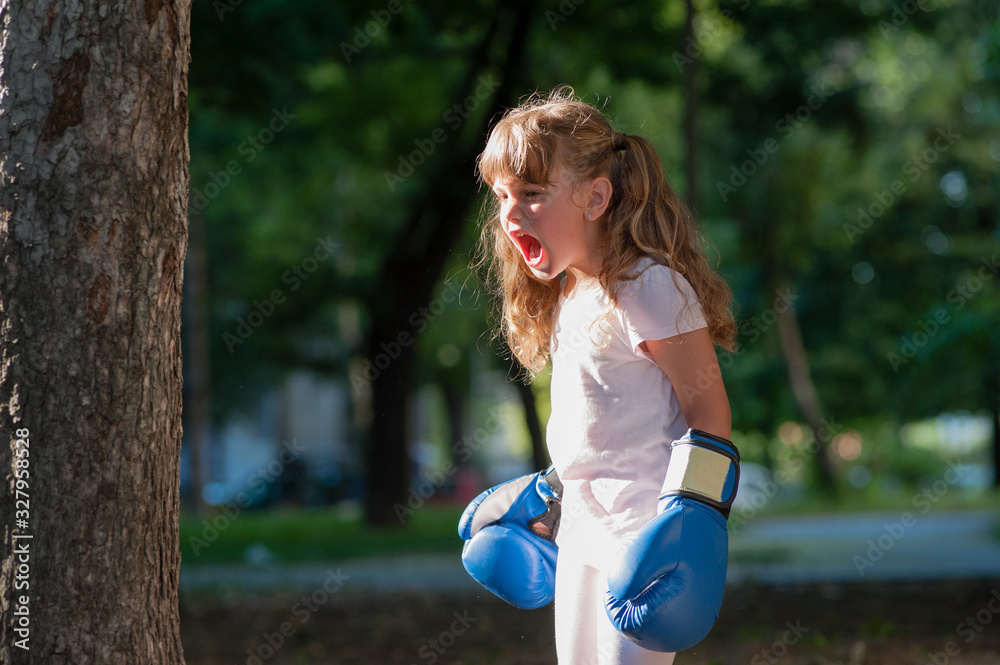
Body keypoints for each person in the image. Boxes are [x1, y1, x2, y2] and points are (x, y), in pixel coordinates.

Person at [474, 86, 737, 665]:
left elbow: (710, 413)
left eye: (533, 194)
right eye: (502, 196)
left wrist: (695, 522)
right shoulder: (575, 294)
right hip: (582, 533)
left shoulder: (649, 287)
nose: (511, 213)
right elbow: (603, 425)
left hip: (642, 534)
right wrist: (551, 492)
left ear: (595, 198)